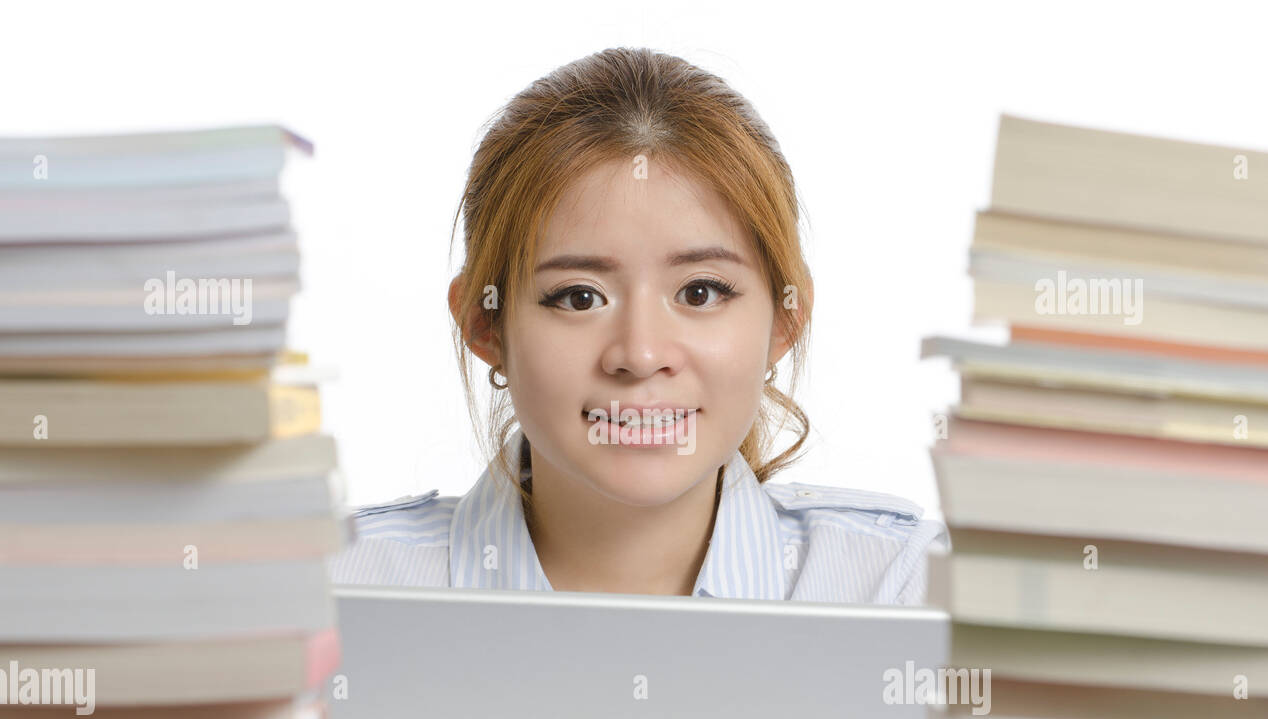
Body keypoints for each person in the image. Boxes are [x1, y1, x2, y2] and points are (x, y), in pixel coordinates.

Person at [332, 47, 947, 603]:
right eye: (578, 297)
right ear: (485, 325)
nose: (642, 354)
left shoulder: (907, 590)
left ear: (786, 319)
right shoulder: (329, 592)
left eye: (700, 292)